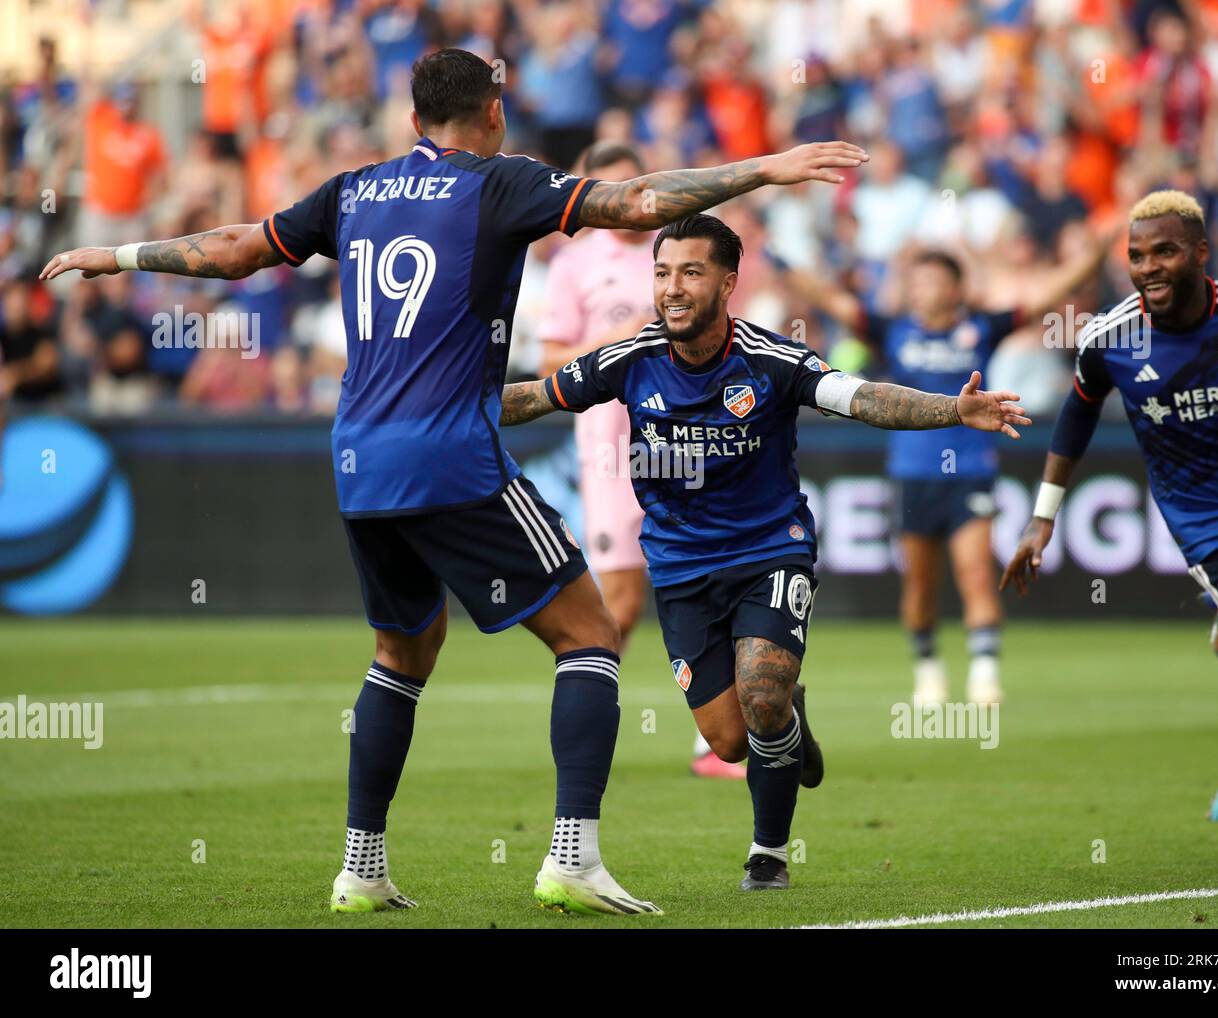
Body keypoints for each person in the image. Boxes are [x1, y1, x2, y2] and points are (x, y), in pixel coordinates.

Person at [40, 49, 870, 916]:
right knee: (589, 634)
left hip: (358, 461)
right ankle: (572, 857)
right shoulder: (498, 182)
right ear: (495, 111)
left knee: (401, 654)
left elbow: (237, 249)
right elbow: (639, 202)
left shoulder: (354, 190)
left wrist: (122, 252)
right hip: (451, 456)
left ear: (410, 121)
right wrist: (768, 169)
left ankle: (361, 867)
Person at [500, 214, 1030, 889]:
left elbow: (860, 397)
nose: (672, 287)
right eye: (662, 272)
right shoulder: (628, 358)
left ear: (727, 281)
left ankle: (769, 855)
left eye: (691, 271)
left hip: (768, 552)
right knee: (728, 738)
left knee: (761, 690)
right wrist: (445, 405)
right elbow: (536, 397)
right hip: (679, 567)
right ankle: (789, 727)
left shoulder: (771, 358)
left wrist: (952, 410)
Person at [1000, 190, 1218, 821]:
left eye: (1164, 251)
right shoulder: (1110, 338)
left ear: (1200, 253)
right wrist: (1042, 515)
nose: (1148, 267)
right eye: (1136, 256)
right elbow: (1077, 416)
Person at [769, 236, 1111, 707]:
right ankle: (928, 673)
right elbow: (832, 299)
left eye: (933, 280)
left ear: (956, 289)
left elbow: (1045, 296)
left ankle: (985, 677)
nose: (921, 288)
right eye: (916, 280)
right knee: (920, 583)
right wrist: (780, 259)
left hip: (971, 471)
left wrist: (1093, 251)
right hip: (911, 474)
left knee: (974, 571)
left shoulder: (982, 328)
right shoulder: (891, 330)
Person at [536, 141, 745, 780]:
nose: (629, 205)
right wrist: (616, 344)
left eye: (638, 192)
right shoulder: (575, 264)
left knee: (714, 583)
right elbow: (549, 365)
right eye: (615, 193)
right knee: (621, 601)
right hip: (609, 451)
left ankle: (724, 737)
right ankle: (587, 722)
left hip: (689, 438)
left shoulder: (680, 255)